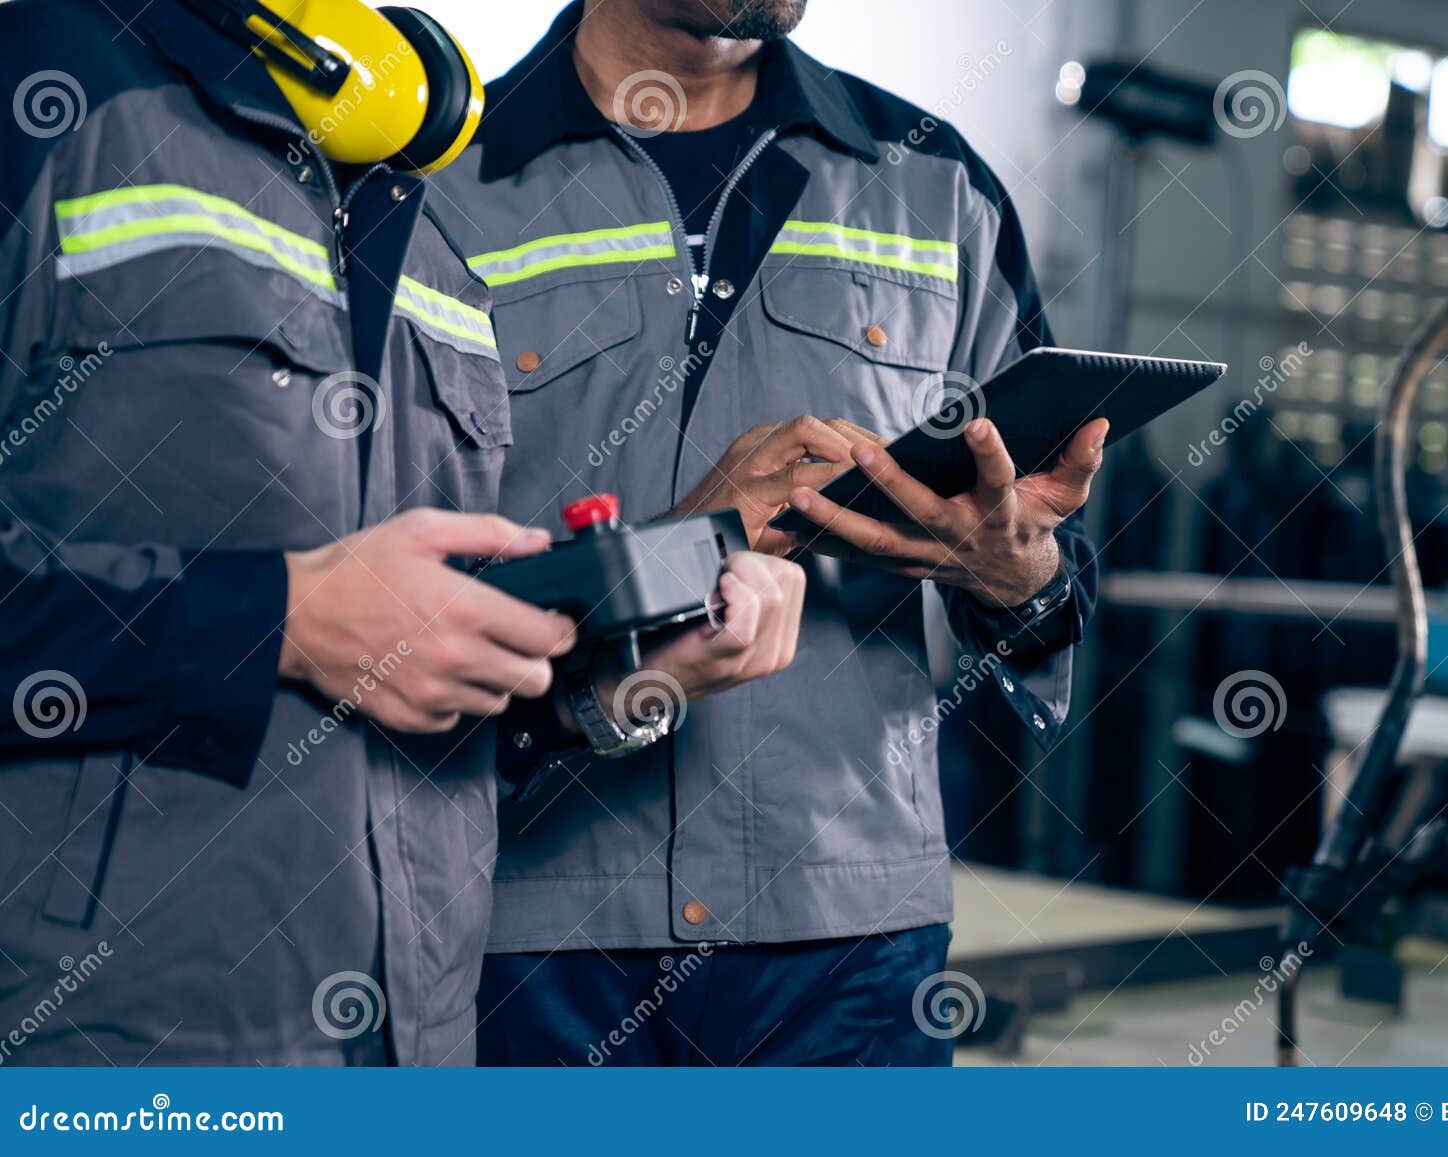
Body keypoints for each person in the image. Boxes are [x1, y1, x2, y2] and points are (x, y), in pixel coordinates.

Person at [0, 0, 804, 1066]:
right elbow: (310, 628)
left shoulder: (424, 217)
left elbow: (400, 705)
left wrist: (605, 686)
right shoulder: (40, 91)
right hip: (109, 1052)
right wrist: (278, 620)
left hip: (416, 1045)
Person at [433, 0, 1104, 1066]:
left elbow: (1049, 573)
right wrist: (688, 545)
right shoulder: (437, 186)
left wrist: (1020, 579)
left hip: (844, 942)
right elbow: (377, 593)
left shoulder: (936, 186)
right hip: (531, 924)